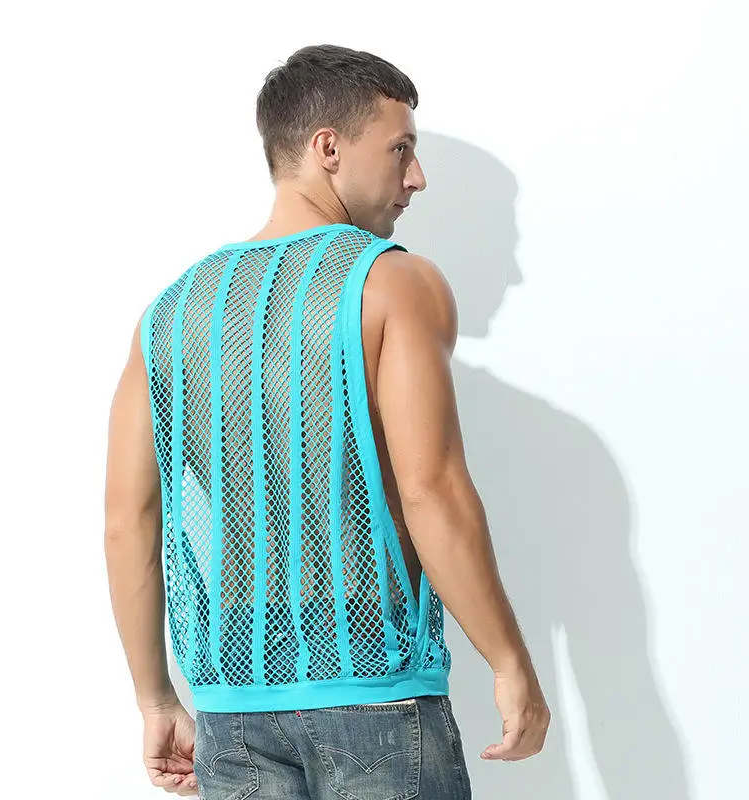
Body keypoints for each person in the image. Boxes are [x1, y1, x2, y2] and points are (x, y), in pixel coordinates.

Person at [104, 43, 550, 799]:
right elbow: (432, 490)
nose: (417, 176)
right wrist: (509, 662)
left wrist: (155, 701)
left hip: (233, 700)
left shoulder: (171, 312)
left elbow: (127, 521)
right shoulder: (394, 283)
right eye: (401, 148)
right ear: (329, 149)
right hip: (374, 682)